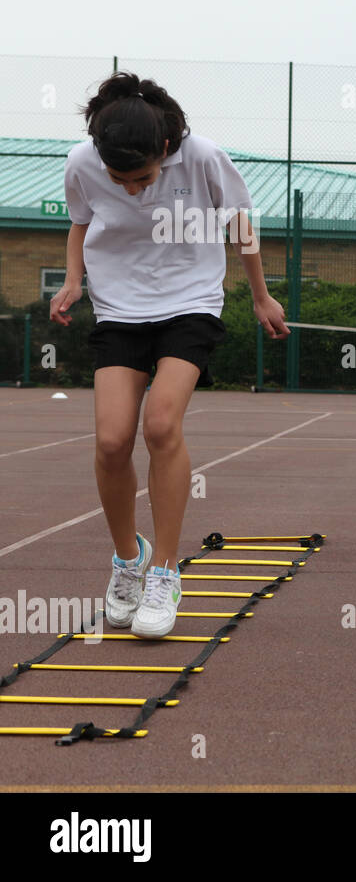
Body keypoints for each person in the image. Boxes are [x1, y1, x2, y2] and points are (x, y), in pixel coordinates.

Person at [50, 72, 288, 637]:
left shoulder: (203, 157)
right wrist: (71, 280)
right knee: (111, 440)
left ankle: (165, 572)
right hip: (120, 308)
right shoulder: (82, 161)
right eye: (118, 180)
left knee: (160, 426)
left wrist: (260, 295)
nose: (131, 190)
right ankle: (128, 560)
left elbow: (242, 226)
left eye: (142, 179)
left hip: (190, 302)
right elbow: (81, 223)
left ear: (164, 149)